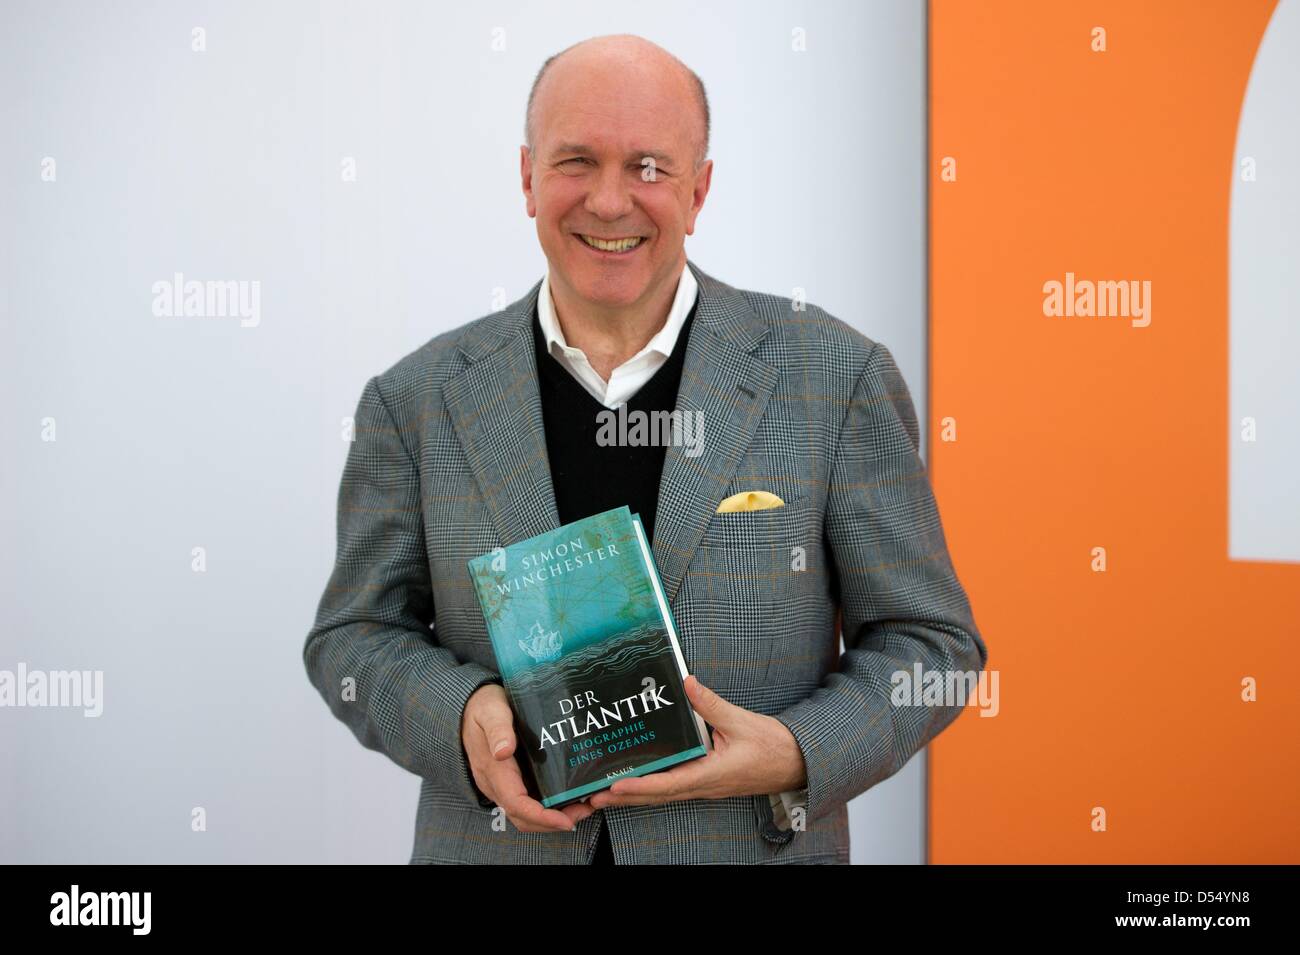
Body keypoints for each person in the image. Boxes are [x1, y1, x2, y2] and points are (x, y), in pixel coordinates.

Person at [303, 33, 986, 865]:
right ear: (527, 178)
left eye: (650, 168)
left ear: (699, 191)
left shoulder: (835, 379)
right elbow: (352, 634)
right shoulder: (413, 401)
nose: (610, 201)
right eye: (576, 162)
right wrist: (459, 709)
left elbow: (935, 646)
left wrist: (797, 751)